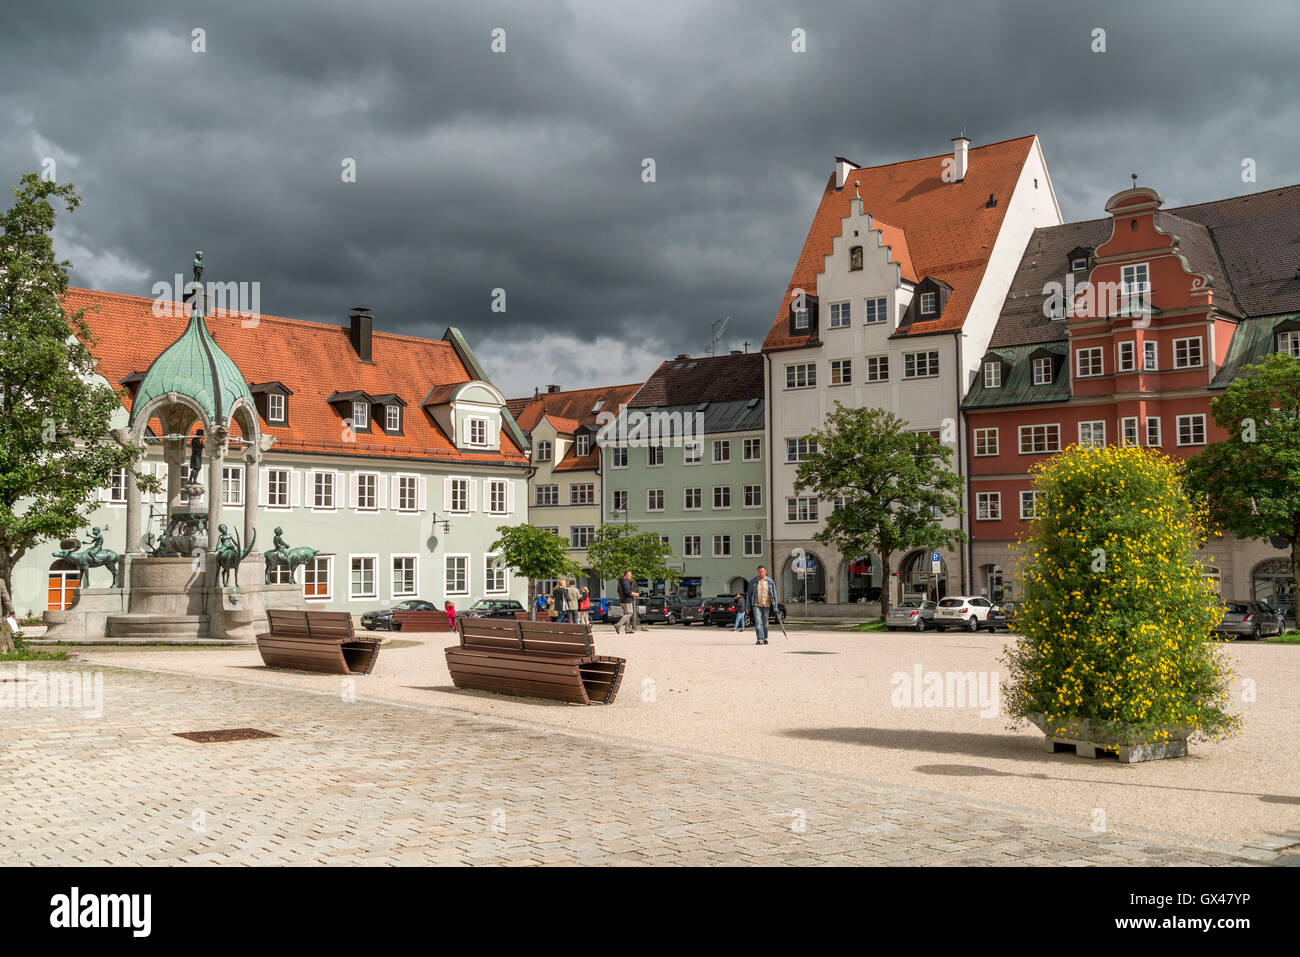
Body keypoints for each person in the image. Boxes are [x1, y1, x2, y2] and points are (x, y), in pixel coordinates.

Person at [746, 565, 781, 645]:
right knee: (758, 621)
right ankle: (760, 639)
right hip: (756, 604)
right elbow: (749, 594)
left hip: (766, 605)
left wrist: (775, 607)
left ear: (765, 572)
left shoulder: (770, 581)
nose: (761, 573)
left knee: (765, 622)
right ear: (757, 572)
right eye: (759, 572)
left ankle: (765, 637)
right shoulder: (752, 581)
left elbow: (774, 595)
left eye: (762, 572)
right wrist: (747, 606)